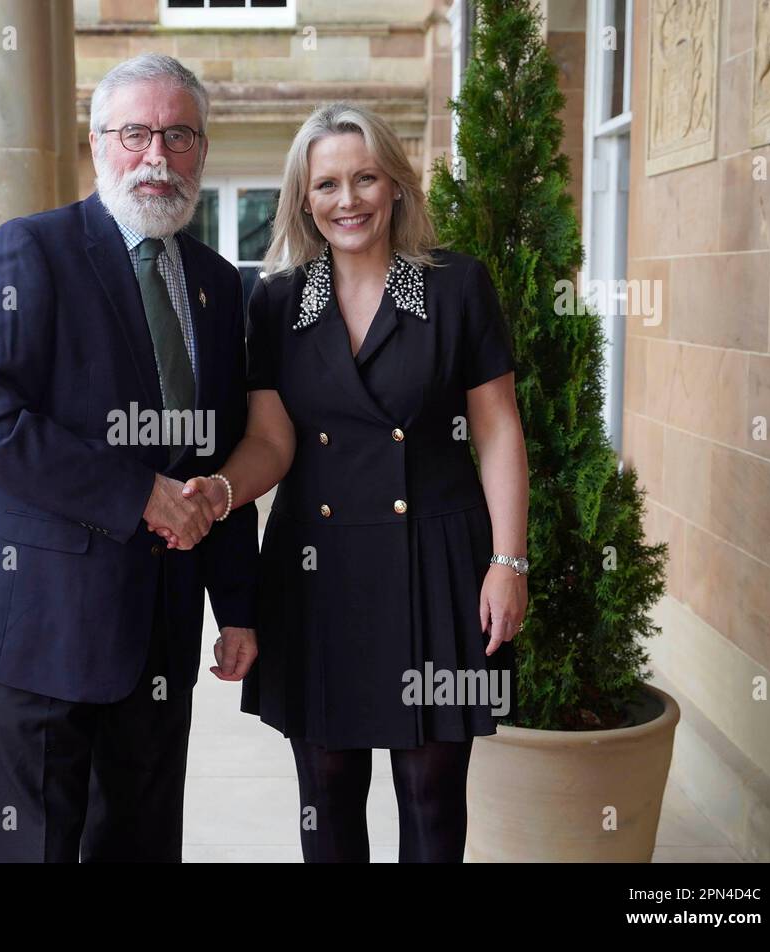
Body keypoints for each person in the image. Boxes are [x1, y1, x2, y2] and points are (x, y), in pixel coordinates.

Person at [174, 102, 530, 862]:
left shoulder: (454, 286)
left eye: (365, 178)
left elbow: (496, 426)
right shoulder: (274, 303)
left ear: (395, 185)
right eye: (327, 183)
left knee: (433, 794)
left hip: (436, 558)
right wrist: (221, 490)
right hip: (317, 570)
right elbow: (272, 441)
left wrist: (509, 561)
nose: (348, 200)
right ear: (304, 198)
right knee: (327, 794)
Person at [0, 54, 259, 862]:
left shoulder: (219, 287)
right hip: (42, 627)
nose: (158, 155)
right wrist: (137, 494)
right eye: (135, 133)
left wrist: (240, 606)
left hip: (162, 627)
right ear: (97, 144)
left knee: (142, 844)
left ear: (201, 149)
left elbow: (217, 455)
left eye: (180, 135)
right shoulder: (34, 251)